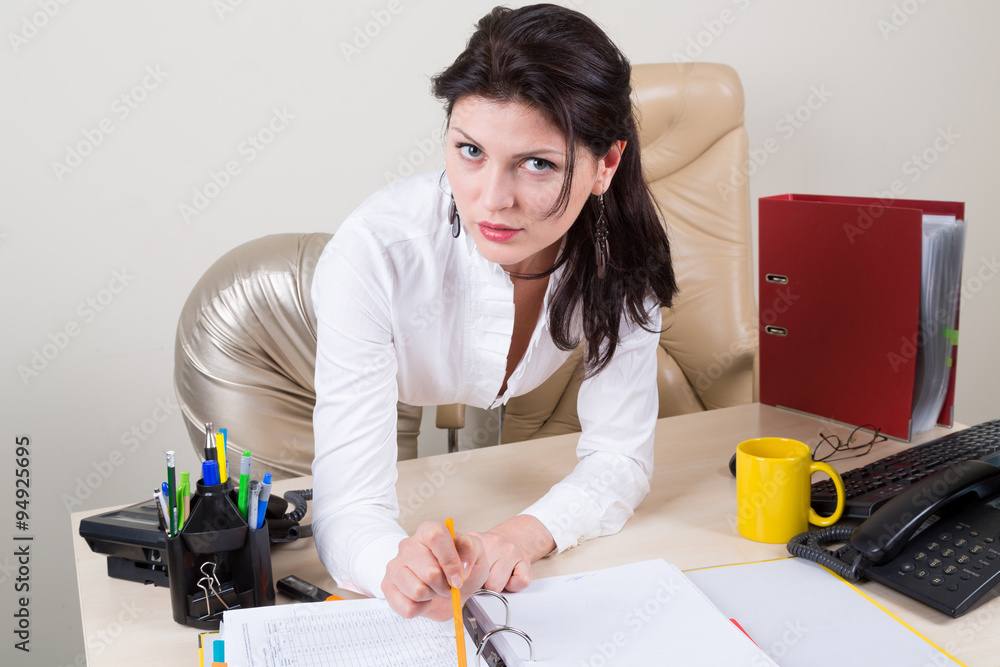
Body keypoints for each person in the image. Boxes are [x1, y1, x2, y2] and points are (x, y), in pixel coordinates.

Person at [310, 3, 677, 621]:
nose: (491, 200)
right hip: (301, 342)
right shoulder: (371, 254)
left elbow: (620, 458)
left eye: (538, 163)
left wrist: (513, 537)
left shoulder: (625, 256)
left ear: (605, 165)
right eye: (471, 150)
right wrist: (393, 567)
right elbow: (348, 507)